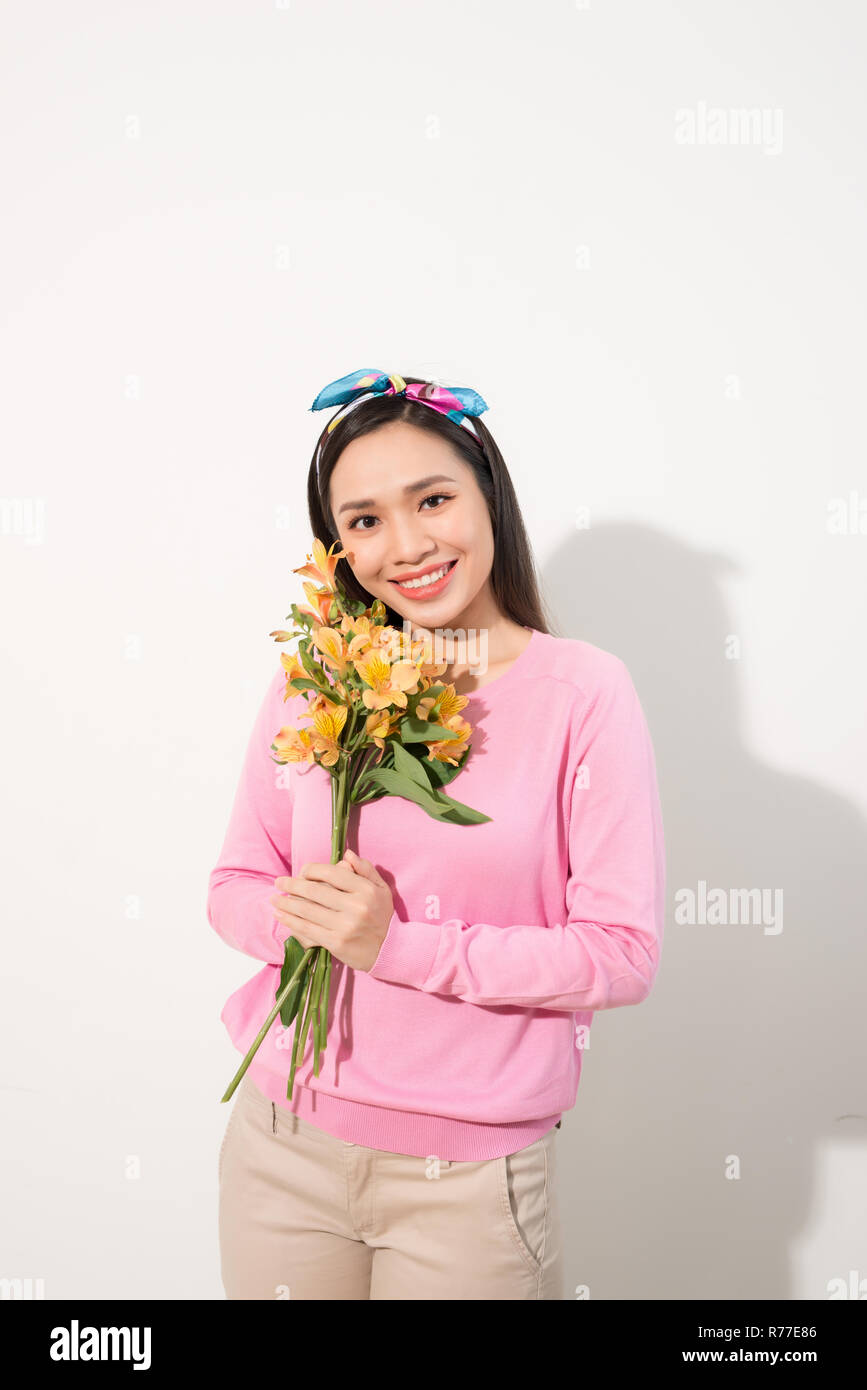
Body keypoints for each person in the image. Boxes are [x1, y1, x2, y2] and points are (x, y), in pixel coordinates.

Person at [208, 368, 666, 1300]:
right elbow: (233, 885)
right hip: (280, 1147)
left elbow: (619, 955)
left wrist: (395, 947)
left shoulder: (583, 691)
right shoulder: (322, 674)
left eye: (434, 499)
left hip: (466, 1182)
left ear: (488, 495)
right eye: (365, 520)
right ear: (336, 547)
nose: (407, 545)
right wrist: (311, 926)